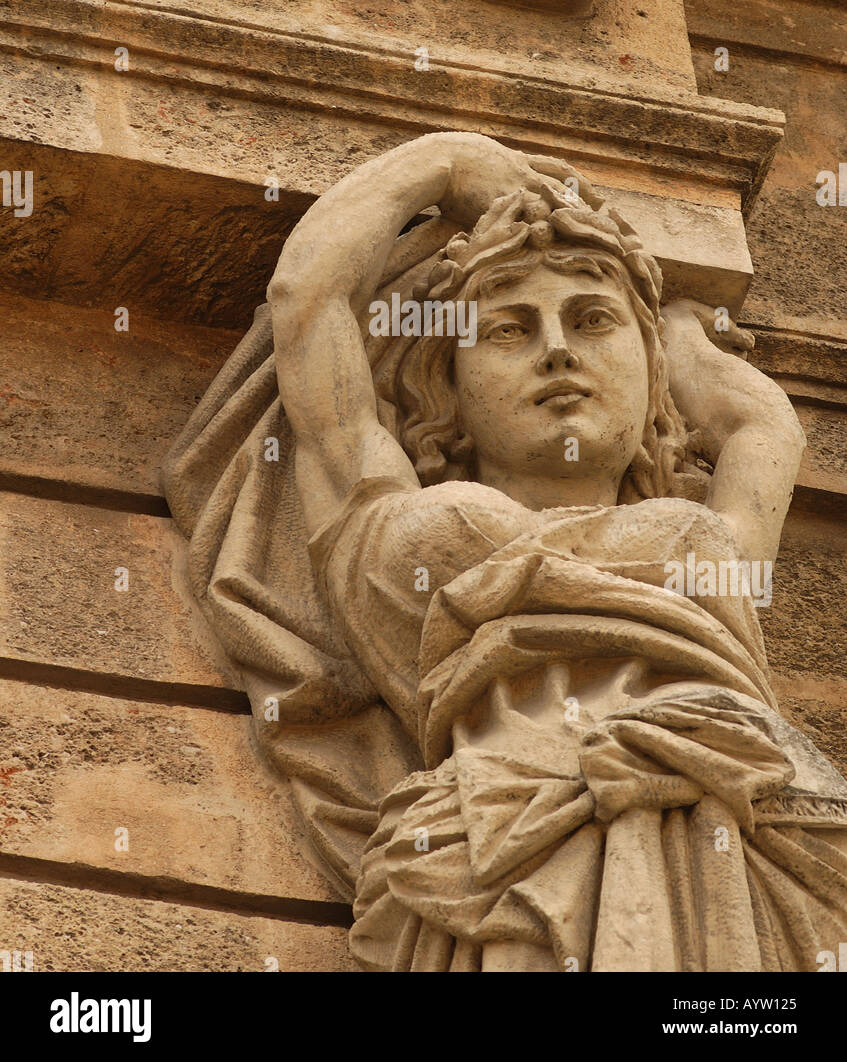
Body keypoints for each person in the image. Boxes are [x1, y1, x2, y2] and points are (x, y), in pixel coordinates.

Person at [166, 131, 847, 972]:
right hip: (507, 838)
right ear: (446, 390)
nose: (557, 349)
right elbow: (309, 300)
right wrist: (444, 161)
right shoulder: (389, 525)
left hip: (732, 818)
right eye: (507, 330)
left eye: (590, 323)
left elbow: (758, 422)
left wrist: (667, 327)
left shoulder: (708, 534)